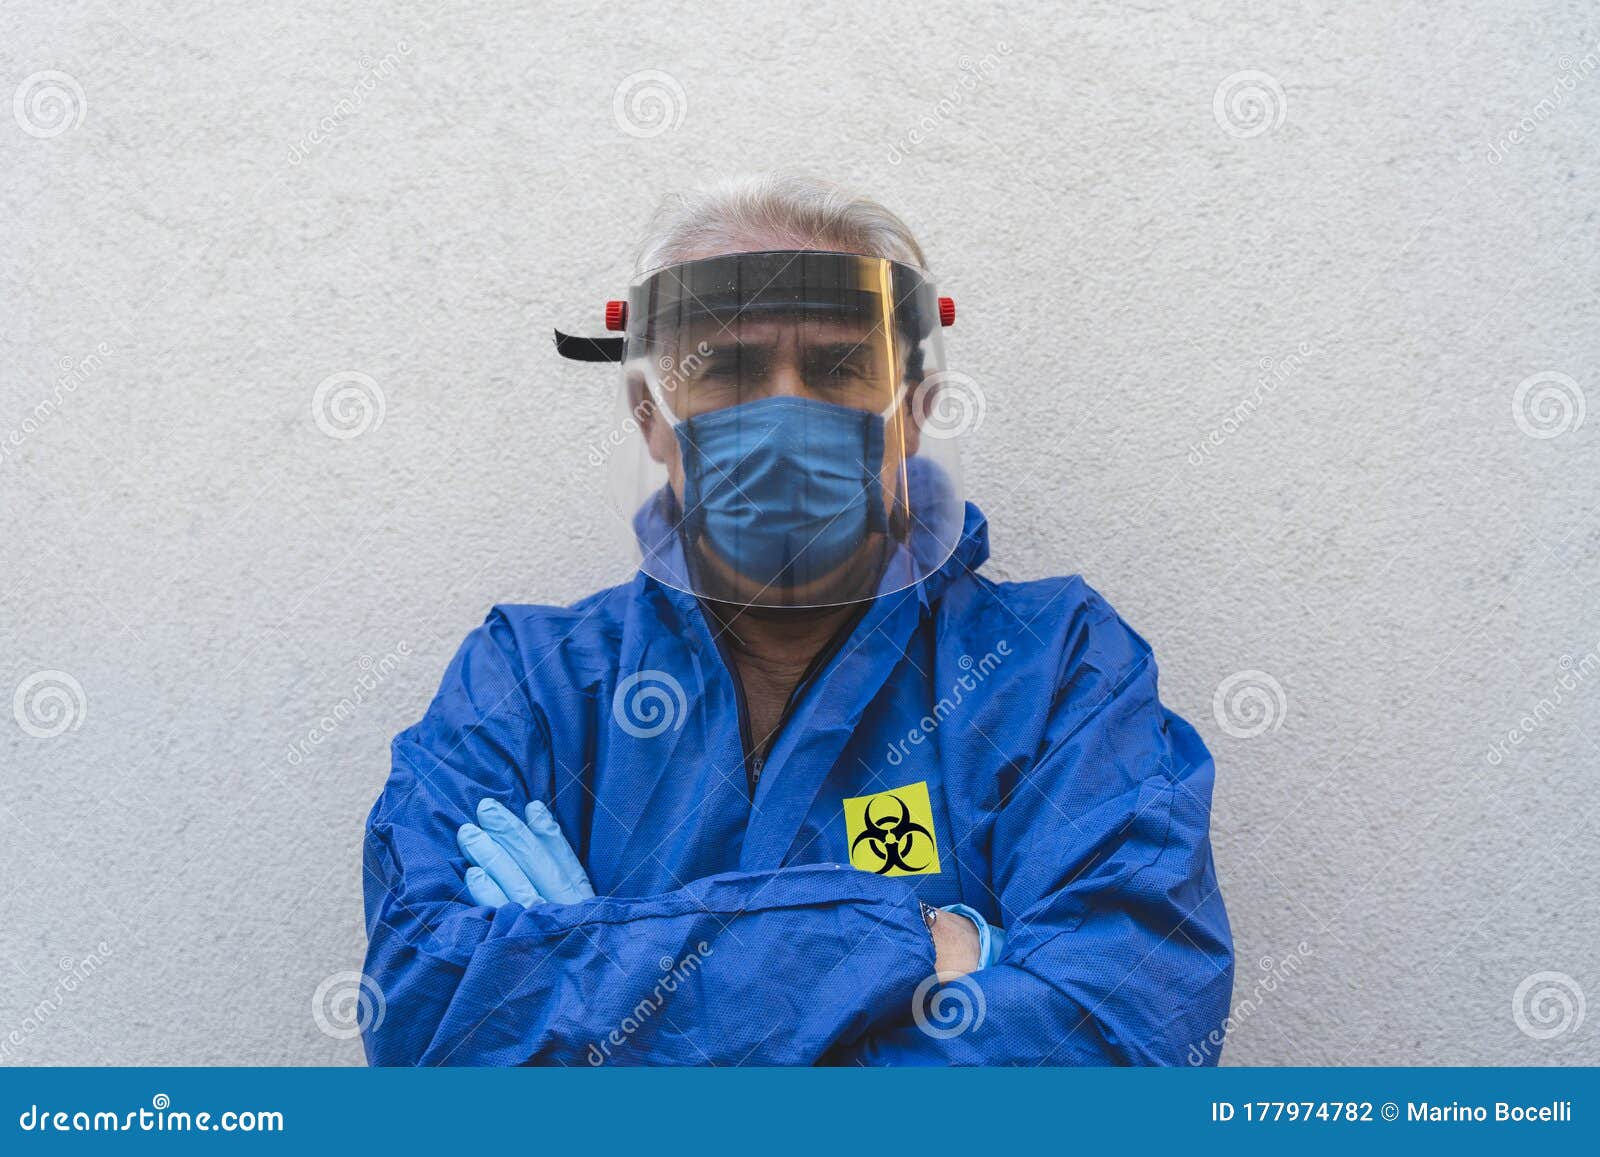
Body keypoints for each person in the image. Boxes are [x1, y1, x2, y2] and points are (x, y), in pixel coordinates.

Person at [361, 173, 1234, 1065]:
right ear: (650, 415)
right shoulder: (534, 684)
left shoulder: (1059, 674)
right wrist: (913, 948)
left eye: (837, 368)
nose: (785, 410)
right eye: (731, 368)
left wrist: (587, 967)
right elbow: (425, 1018)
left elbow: (1124, 1043)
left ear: (916, 410)